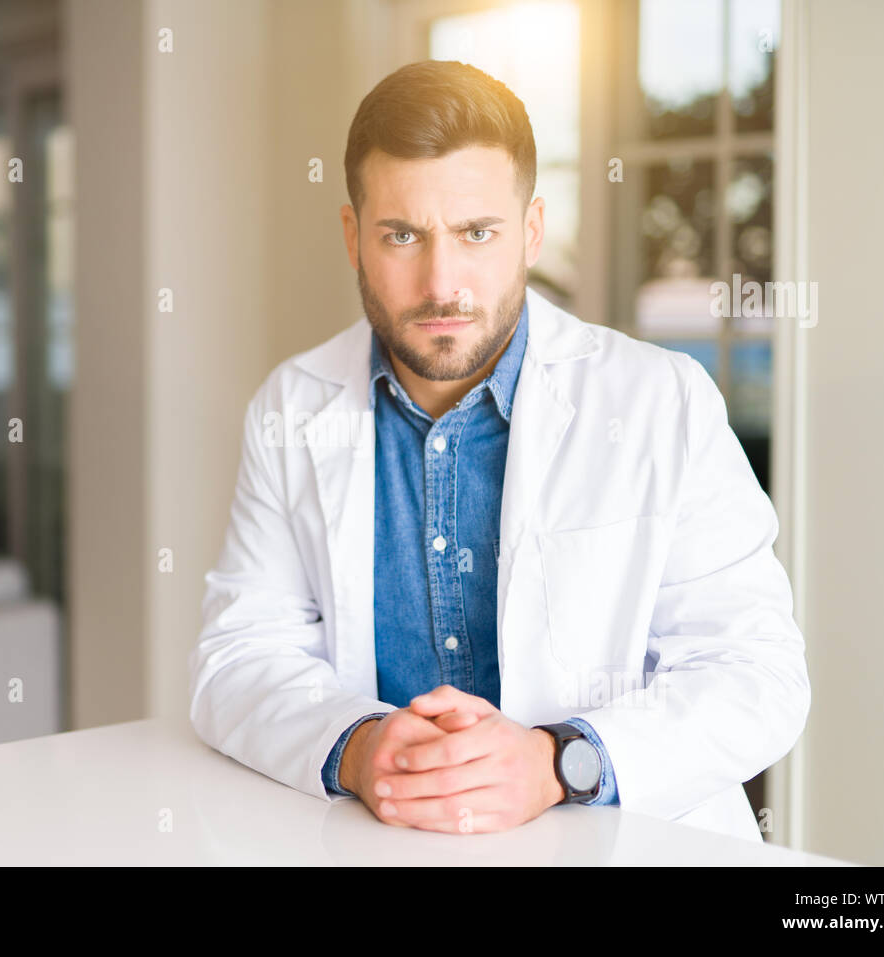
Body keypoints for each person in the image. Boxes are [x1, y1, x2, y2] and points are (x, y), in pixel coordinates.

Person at [189, 59, 809, 840]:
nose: (442, 282)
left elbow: (760, 676)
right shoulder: (292, 403)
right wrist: (357, 746)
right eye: (402, 234)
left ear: (532, 230)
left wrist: (558, 763)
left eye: (477, 233)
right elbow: (236, 659)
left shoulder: (662, 401)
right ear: (353, 236)